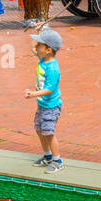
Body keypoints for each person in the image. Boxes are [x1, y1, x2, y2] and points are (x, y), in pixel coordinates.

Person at [24, 26, 64, 173]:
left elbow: (50, 89)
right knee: (40, 130)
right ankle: (47, 156)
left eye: (40, 44)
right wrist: (39, 32)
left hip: (51, 106)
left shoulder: (52, 68)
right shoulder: (43, 58)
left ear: (47, 50)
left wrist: (33, 94)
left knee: (49, 132)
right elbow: (32, 46)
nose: (36, 47)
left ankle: (57, 160)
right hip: (42, 105)